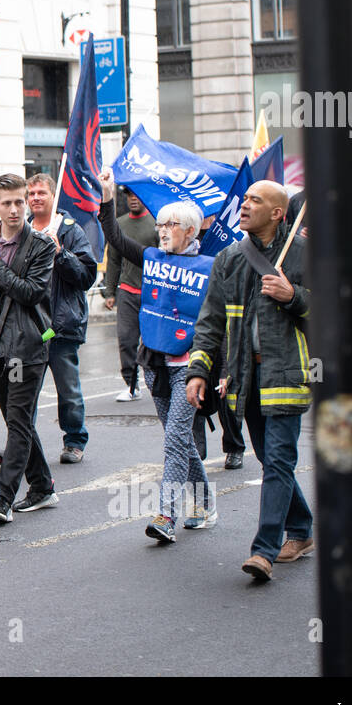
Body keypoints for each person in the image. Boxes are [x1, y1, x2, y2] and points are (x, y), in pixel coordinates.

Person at [186, 180, 313, 582]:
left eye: (254, 201)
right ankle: (303, 528)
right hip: (244, 376)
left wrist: (293, 296)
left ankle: (264, 550)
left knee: (278, 459)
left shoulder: (304, 255)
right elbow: (210, 320)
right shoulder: (228, 258)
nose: (244, 206)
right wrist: (199, 370)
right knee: (270, 459)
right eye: (244, 200)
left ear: (278, 213)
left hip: (287, 374)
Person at [100, 170, 215, 541]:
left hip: (190, 369)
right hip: (155, 365)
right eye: (161, 223)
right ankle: (206, 501)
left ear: (191, 232)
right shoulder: (151, 257)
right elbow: (116, 237)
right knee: (176, 437)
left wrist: (222, 370)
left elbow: (219, 325)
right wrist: (106, 200)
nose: (163, 230)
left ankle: (166, 515)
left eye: (172, 224)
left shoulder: (210, 269)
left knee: (176, 438)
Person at [0, 173, 58, 522]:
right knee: (16, 421)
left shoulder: (42, 245)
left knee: (18, 422)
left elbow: (31, 292)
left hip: (27, 347)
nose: (16, 209)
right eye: (7, 203)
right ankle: (42, 486)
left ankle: (3, 500)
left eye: (20, 201)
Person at [26, 173, 98, 463]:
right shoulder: (23, 230)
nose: (35, 198)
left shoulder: (70, 230)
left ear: (53, 196)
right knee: (23, 391)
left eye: (41, 192)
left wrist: (60, 253)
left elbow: (86, 276)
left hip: (60, 327)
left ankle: (75, 441)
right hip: (30, 327)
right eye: (31, 193)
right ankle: (21, 444)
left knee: (68, 389)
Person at [101, 185, 157, 402]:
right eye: (129, 195)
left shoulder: (155, 223)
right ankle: (131, 385)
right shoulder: (121, 224)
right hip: (127, 291)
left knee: (152, 342)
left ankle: (157, 383)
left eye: (137, 195)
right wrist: (109, 292)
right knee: (126, 340)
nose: (133, 199)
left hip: (151, 294)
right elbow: (114, 260)